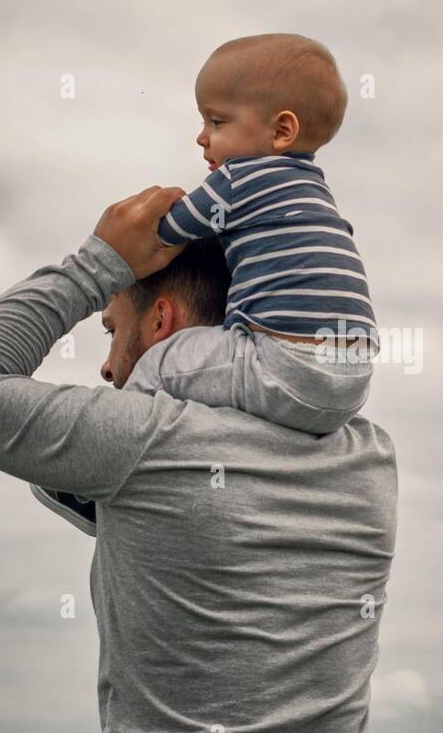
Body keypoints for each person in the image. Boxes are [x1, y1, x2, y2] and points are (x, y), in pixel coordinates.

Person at [0, 186, 398, 733]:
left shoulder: (146, 441)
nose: (109, 366)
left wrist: (98, 263)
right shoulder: (370, 457)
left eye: (111, 330)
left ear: (162, 321)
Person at [128, 33, 377, 435]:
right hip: (351, 383)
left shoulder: (240, 179)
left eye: (217, 121)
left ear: (281, 131)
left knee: (162, 361)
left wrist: (143, 220)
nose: (202, 136)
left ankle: (118, 452)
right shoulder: (317, 195)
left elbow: (166, 231)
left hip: (284, 362)